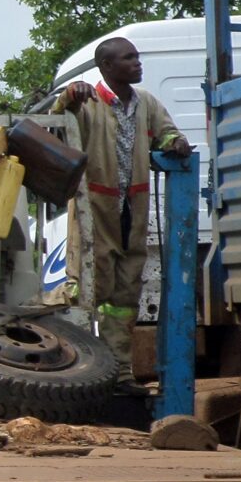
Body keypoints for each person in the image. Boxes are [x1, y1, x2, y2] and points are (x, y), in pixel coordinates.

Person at [53, 36, 191, 374]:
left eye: (137, 57)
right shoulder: (88, 103)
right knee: (90, 288)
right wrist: (67, 98)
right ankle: (79, 370)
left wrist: (176, 143)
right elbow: (58, 126)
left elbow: (168, 133)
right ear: (108, 67)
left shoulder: (146, 102)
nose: (137, 63)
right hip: (96, 210)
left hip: (134, 211)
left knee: (126, 296)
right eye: (129, 58)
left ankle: (120, 371)